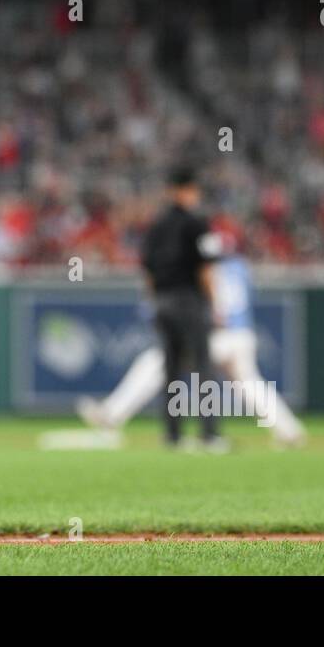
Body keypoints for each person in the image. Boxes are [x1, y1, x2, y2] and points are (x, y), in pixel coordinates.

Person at [76, 250, 307, 448]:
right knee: (250, 384)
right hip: (242, 335)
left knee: (157, 361)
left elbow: (206, 299)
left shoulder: (204, 268)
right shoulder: (239, 266)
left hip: (218, 335)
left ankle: (111, 414)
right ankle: (289, 430)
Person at [138, 167, 224, 450]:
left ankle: (173, 435)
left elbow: (147, 271)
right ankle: (209, 434)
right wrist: (215, 304)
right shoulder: (198, 223)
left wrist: (156, 301)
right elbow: (206, 270)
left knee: (172, 368)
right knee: (203, 367)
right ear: (188, 190)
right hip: (189, 299)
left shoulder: (156, 225)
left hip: (163, 301)